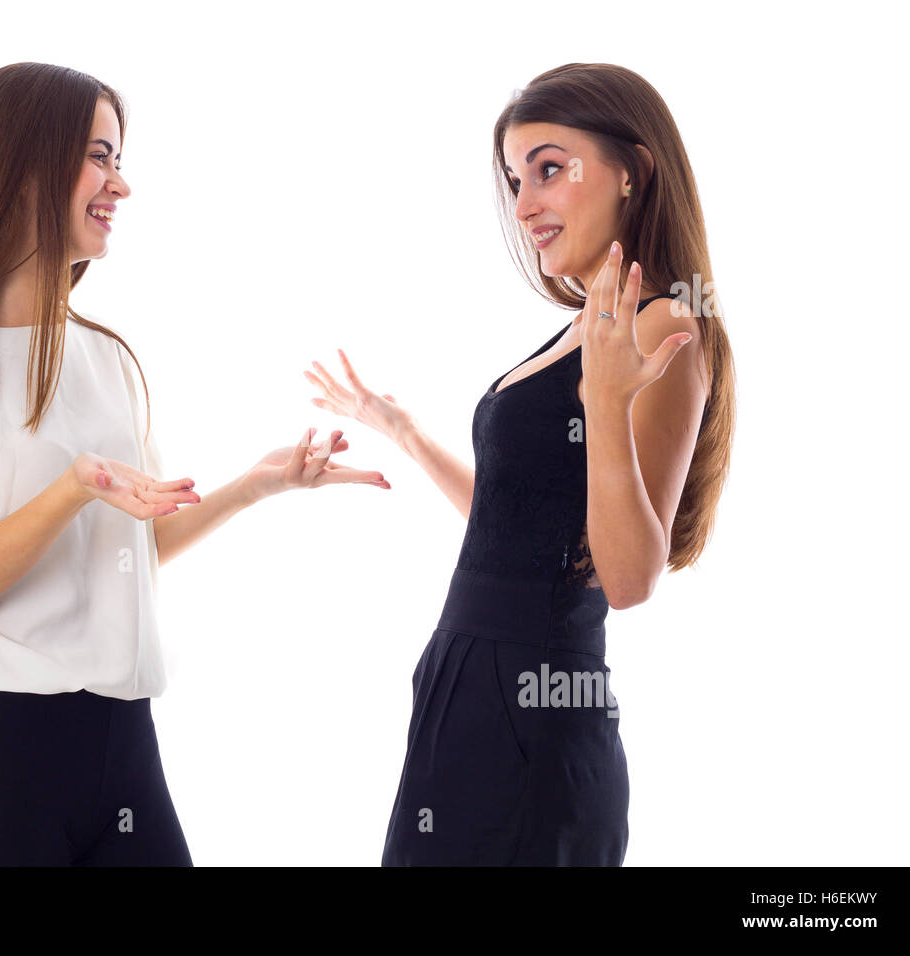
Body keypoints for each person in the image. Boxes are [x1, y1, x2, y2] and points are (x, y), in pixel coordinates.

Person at [0, 62, 389, 867]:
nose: (121, 185)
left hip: (126, 752)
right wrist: (77, 485)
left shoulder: (107, 358)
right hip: (1, 770)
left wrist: (256, 484)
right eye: (100, 157)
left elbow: (130, 551)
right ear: (24, 165)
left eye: (118, 159)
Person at [305, 63, 736, 865]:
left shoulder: (665, 324)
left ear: (633, 171)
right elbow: (524, 526)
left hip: (537, 706)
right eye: (514, 179)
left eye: (549, 168)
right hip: (463, 681)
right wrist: (403, 430)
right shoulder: (585, 324)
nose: (525, 202)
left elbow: (630, 578)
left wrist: (604, 406)